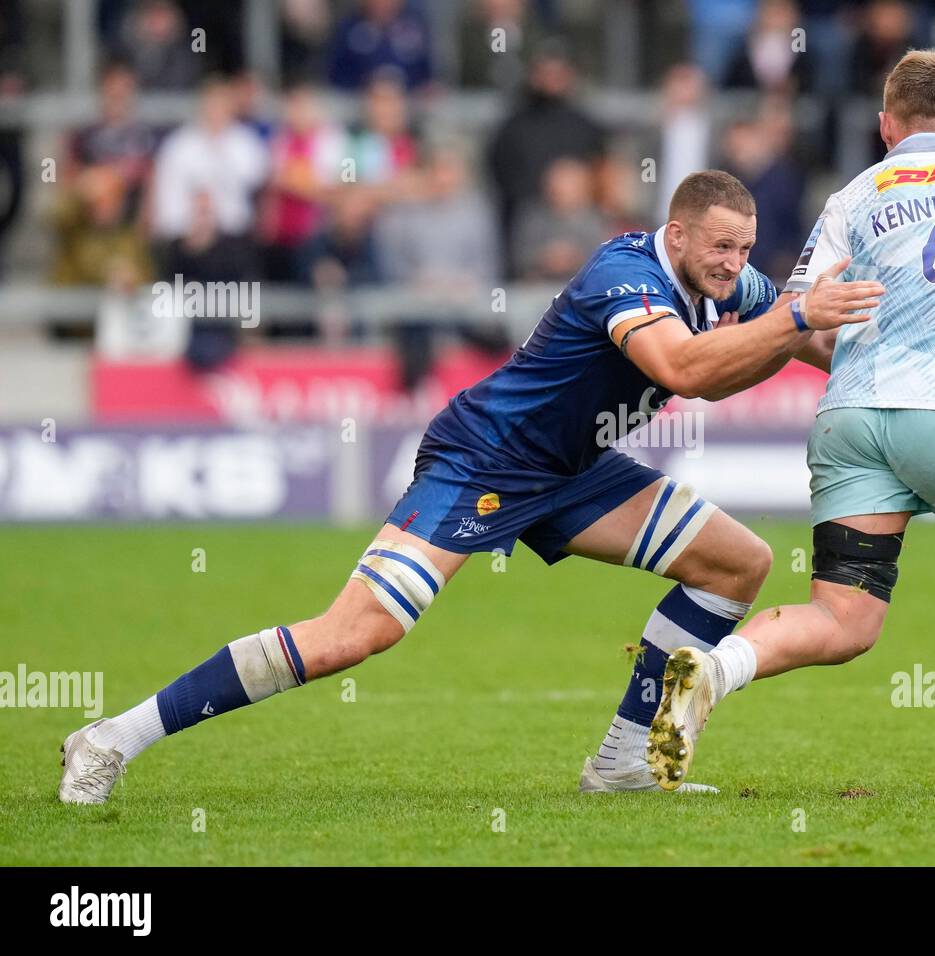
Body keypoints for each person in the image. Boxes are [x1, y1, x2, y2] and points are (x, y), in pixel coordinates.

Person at [57, 171, 885, 804]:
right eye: (722, 250)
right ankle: (111, 739)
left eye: (745, 249)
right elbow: (685, 370)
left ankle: (623, 763)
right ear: (677, 233)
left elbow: (781, 336)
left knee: (735, 564)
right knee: (357, 634)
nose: (737, 266)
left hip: (570, 470)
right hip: (484, 459)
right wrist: (799, 319)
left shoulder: (726, 283)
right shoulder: (621, 275)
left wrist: (884, 362)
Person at [647, 51, 935, 798]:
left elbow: (799, 322)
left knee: (843, 617)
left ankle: (715, 666)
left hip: (852, 416)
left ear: (886, 127)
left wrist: (878, 345)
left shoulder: (855, 194)